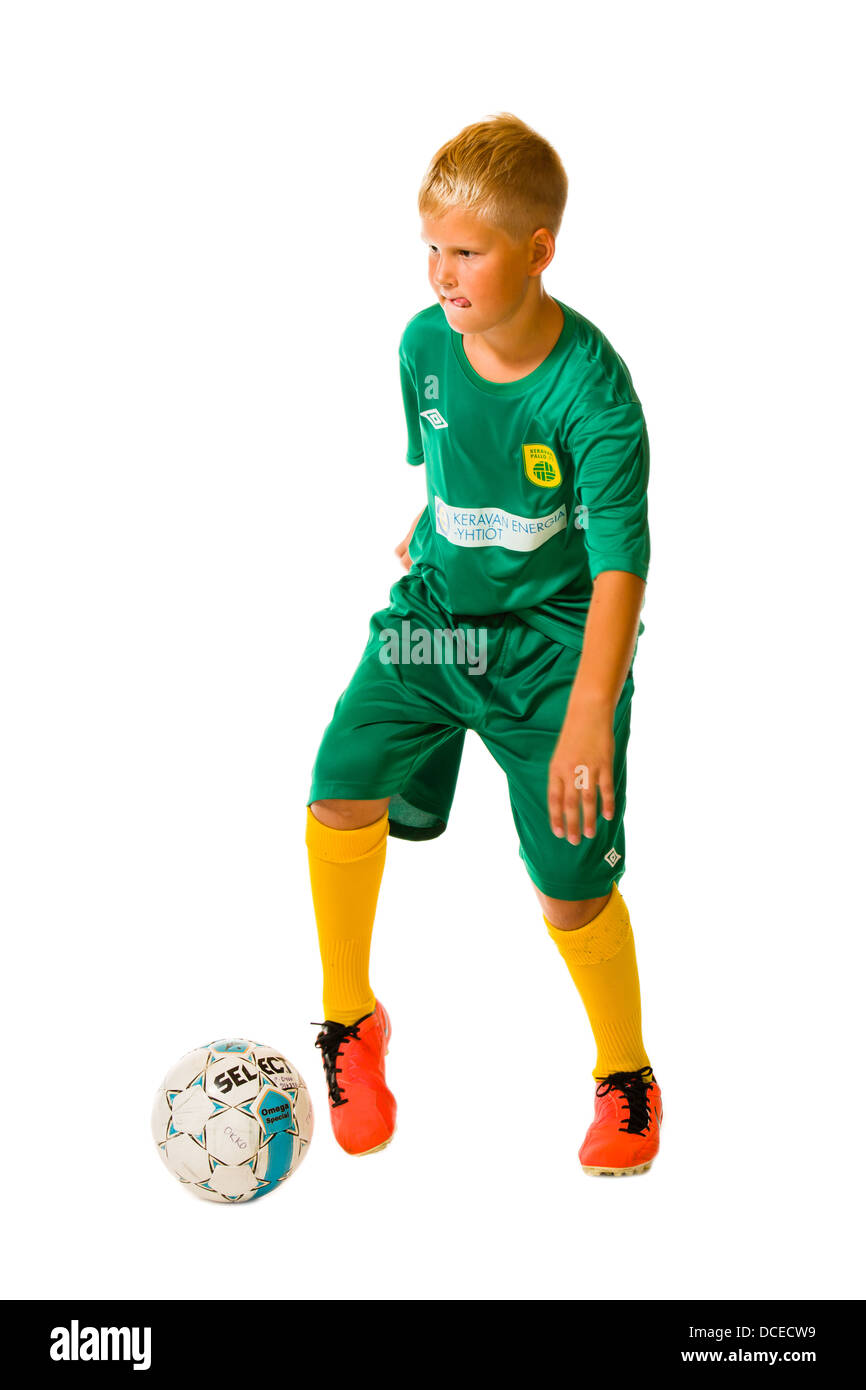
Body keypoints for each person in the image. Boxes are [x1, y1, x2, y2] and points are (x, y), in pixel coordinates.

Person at [304, 112, 662, 1176]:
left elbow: (616, 568)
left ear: (538, 250)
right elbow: (444, 469)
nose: (441, 275)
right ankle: (348, 1023)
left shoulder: (592, 394)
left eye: (467, 252)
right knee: (338, 784)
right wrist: (431, 528)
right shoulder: (422, 343)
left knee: (568, 886)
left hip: (551, 656)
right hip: (436, 627)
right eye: (431, 248)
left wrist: (588, 713)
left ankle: (626, 1075)